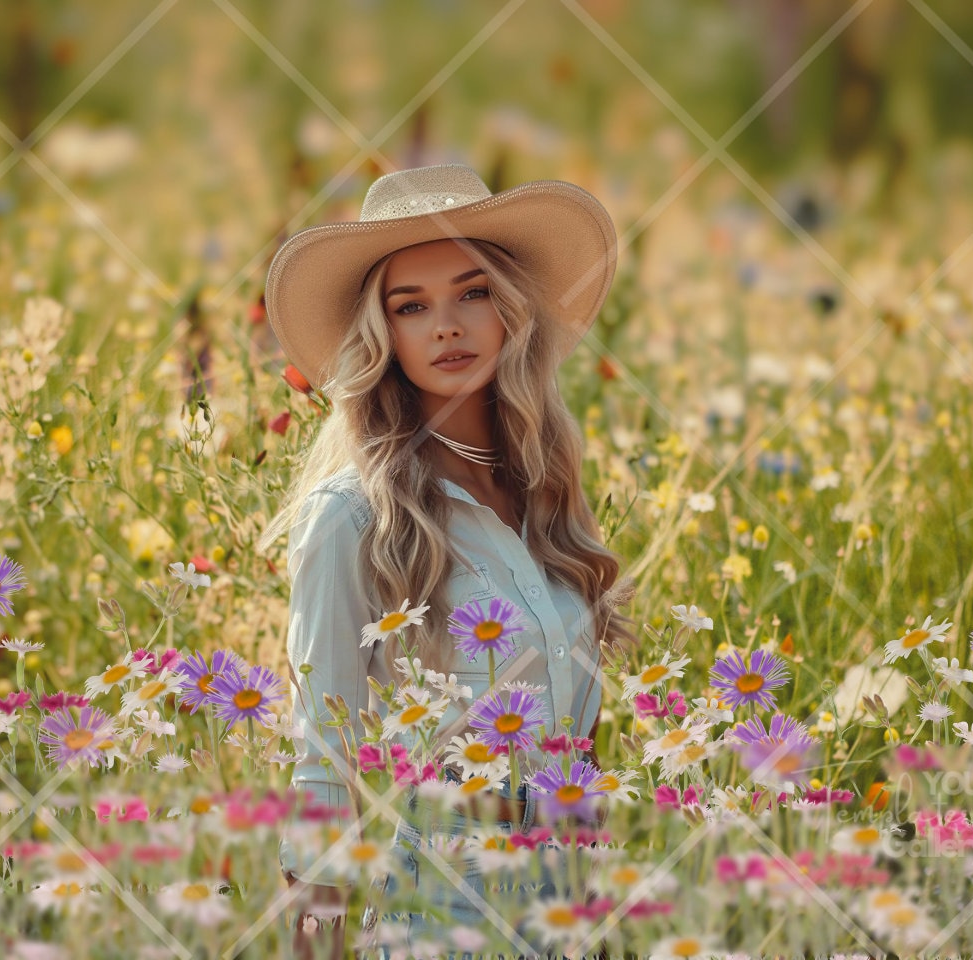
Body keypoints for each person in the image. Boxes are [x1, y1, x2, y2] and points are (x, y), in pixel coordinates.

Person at [260, 163, 630, 959]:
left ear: (510, 308)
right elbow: (322, 766)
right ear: (382, 335)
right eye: (411, 306)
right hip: (439, 916)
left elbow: (579, 757)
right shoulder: (352, 517)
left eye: (471, 292)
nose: (447, 326)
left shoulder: (545, 493)